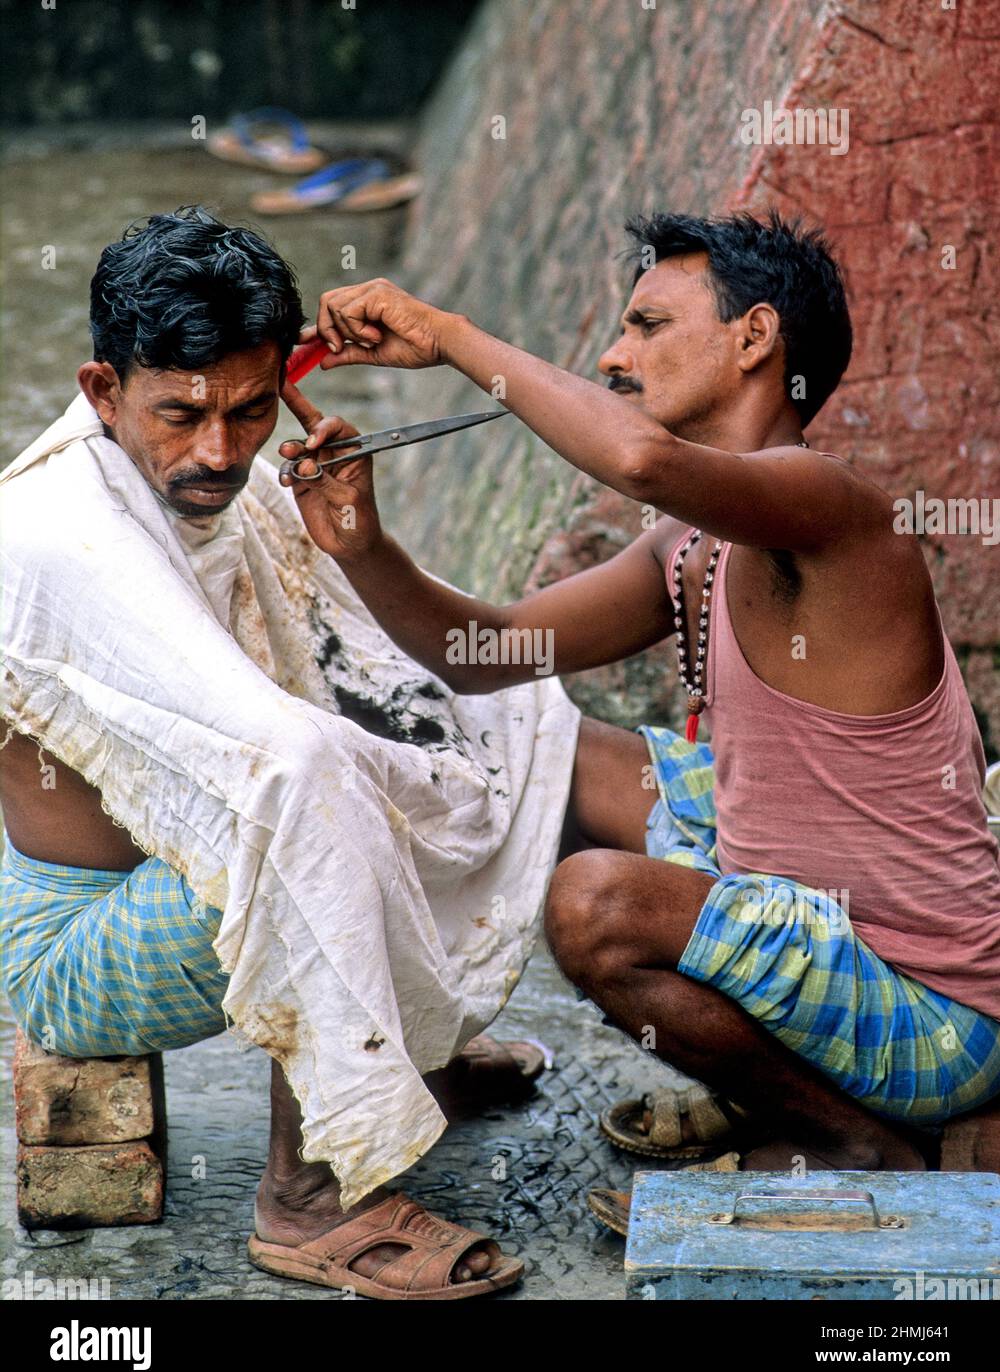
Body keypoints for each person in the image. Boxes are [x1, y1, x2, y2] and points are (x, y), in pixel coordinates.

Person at [279, 209, 1000, 1181]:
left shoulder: (831, 504)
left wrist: (446, 334)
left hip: (934, 1013)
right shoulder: (688, 544)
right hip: (802, 915)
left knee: (596, 906)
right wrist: (360, 541)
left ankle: (849, 1139)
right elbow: (480, 651)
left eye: (647, 326)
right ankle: (768, 1092)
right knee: (536, 745)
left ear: (754, 339)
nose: (616, 357)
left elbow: (639, 460)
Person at [0, 207, 583, 1300]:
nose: (220, 451)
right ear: (100, 391)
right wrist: (396, 781)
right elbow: (279, 754)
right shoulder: (52, 534)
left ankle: (408, 1039)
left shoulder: (233, 479)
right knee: (324, 788)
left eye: (252, 409)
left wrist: (352, 542)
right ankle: (311, 1198)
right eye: (181, 414)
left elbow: (371, 670)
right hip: (77, 951)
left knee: (494, 721)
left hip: (187, 877)